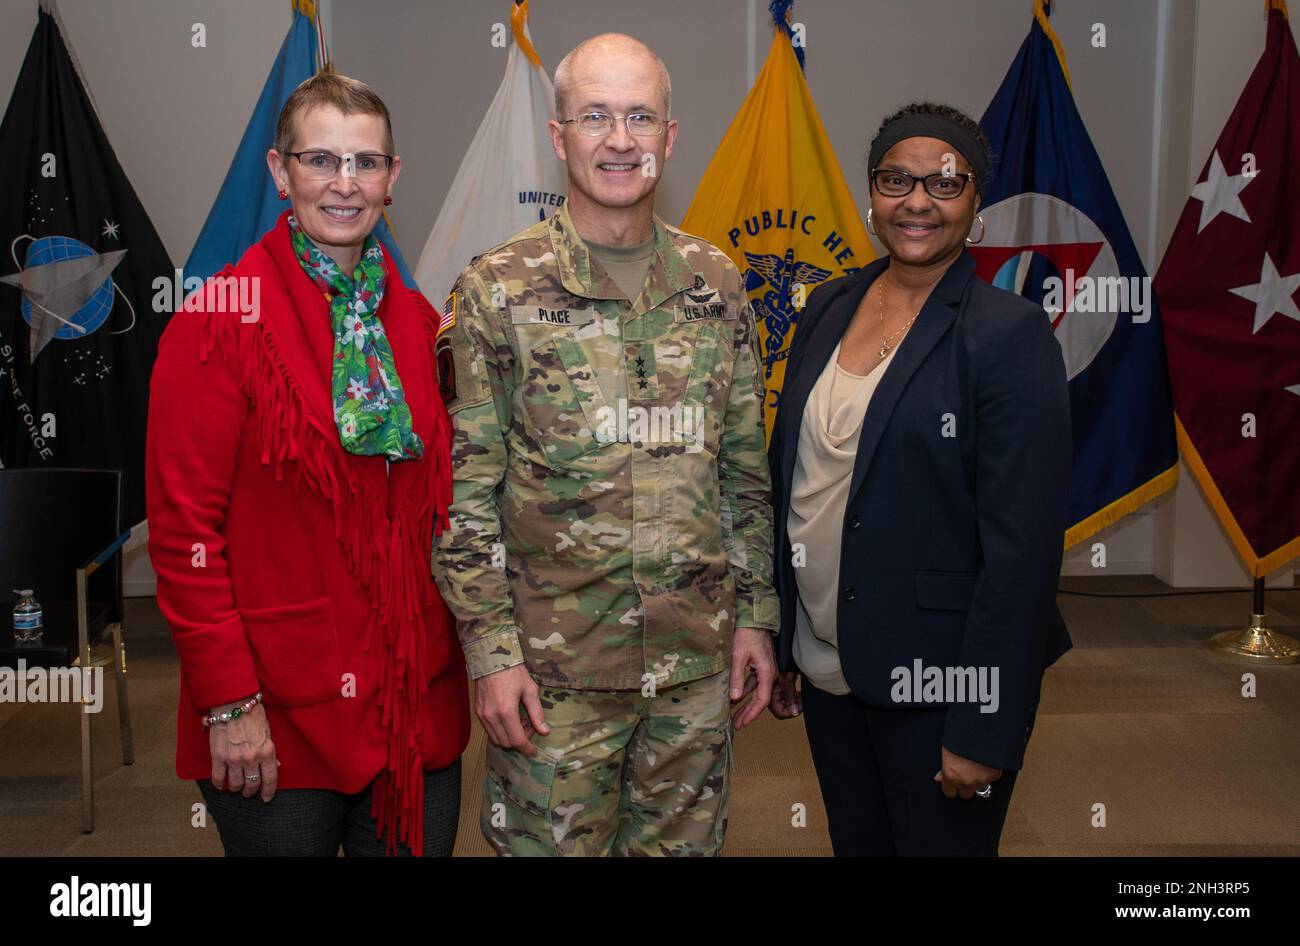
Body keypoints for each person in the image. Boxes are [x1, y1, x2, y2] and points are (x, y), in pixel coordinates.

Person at [433, 33, 778, 856]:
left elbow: (741, 474)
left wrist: (756, 617)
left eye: (639, 117)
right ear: (559, 137)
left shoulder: (718, 285)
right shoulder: (496, 289)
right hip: (555, 681)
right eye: (595, 117)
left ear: (669, 135)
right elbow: (464, 497)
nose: (619, 139)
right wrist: (490, 656)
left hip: (693, 671)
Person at [146, 73, 469, 857]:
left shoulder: (422, 322)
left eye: (365, 162)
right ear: (279, 171)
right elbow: (184, 534)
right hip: (277, 710)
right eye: (321, 160)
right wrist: (228, 703)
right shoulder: (218, 321)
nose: (345, 184)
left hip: (410, 709)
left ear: (393, 178)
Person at [766, 102, 1072, 856]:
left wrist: (984, 723)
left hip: (940, 686)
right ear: (871, 195)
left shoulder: (1007, 333)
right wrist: (784, 641)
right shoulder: (830, 305)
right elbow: (798, 479)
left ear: (974, 204)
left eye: (944, 183)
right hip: (831, 667)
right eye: (895, 180)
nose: (917, 202)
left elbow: (1022, 554)